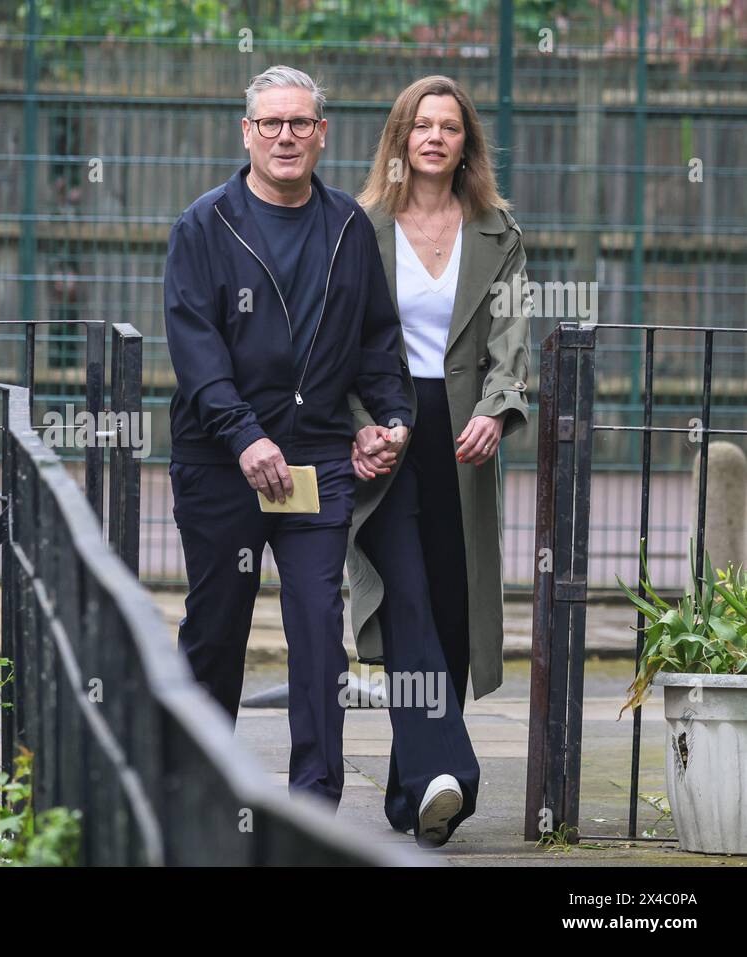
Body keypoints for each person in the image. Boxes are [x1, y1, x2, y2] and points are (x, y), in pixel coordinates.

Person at [163, 64, 412, 807]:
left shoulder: (348, 226)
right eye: (270, 123)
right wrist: (243, 435)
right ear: (247, 132)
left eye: (299, 122)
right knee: (216, 629)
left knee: (316, 627)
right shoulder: (204, 225)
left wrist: (389, 422)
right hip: (222, 463)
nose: (285, 136)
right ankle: (197, 793)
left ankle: (315, 805)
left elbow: (376, 340)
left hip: (314, 462)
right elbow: (195, 348)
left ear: (321, 134)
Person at [346, 75, 532, 845]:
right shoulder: (360, 227)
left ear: (465, 144)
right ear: (399, 138)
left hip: (459, 437)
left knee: (451, 610)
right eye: (420, 124)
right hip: (387, 435)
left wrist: (496, 410)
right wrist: (359, 426)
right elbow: (340, 347)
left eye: (448, 127)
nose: (433, 136)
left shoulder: (498, 231)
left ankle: (415, 794)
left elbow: (512, 342)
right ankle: (453, 768)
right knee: (406, 596)